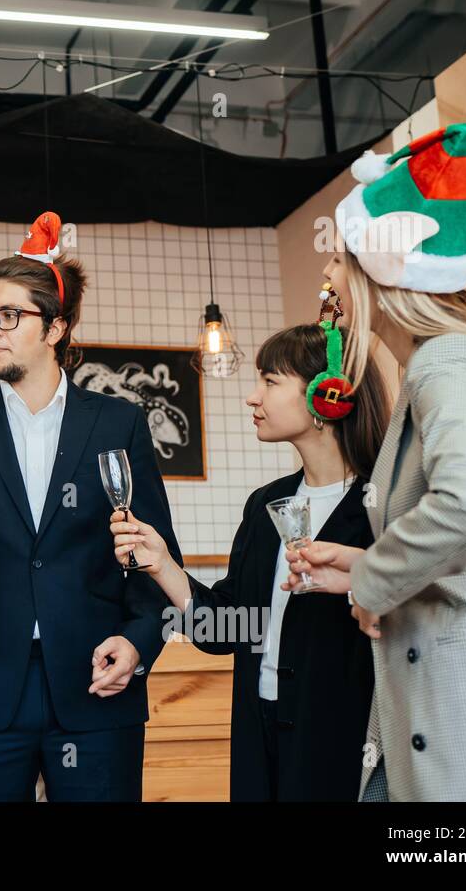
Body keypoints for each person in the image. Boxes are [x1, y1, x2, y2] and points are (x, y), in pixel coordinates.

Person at [288, 122, 466, 800]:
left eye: (338, 258)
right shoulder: (441, 368)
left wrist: (372, 580)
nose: (327, 273)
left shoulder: (451, 362)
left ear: (376, 272)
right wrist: (361, 565)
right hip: (451, 720)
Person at [0, 212, 182, 801]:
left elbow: (154, 554)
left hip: (97, 684)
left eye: (8, 316)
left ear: (55, 329)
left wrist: (141, 643)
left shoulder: (119, 424)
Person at [111, 312, 390, 800]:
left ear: (328, 395)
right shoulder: (266, 505)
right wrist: (161, 565)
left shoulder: (382, 506)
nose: (253, 396)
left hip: (345, 736)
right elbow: (226, 631)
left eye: (269, 381)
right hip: (260, 731)